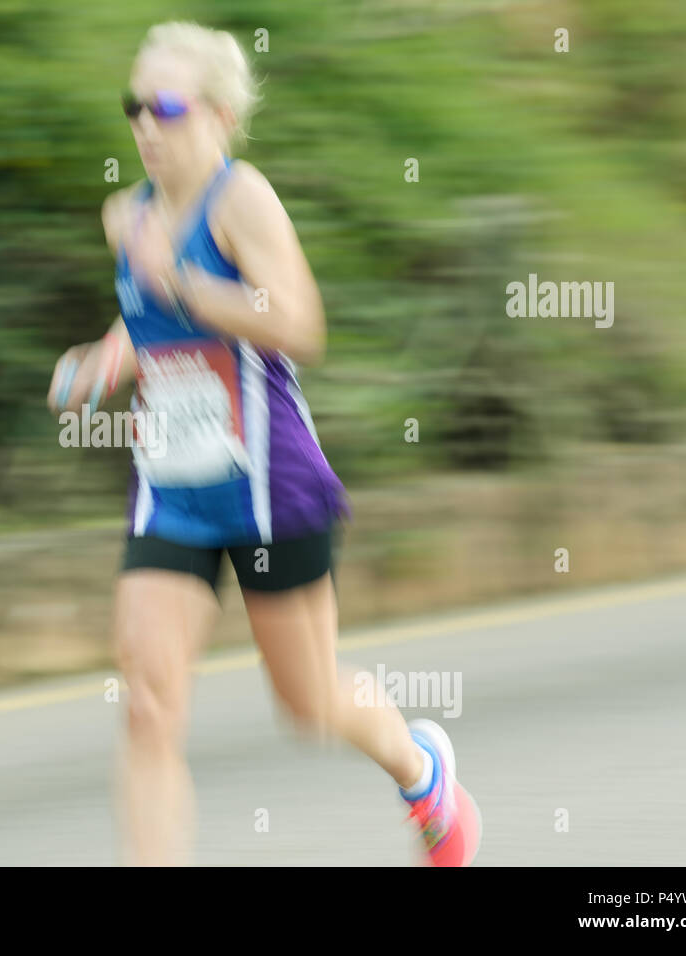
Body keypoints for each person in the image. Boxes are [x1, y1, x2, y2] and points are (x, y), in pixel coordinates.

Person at [47, 21, 481, 867]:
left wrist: (186, 280)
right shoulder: (123, 213)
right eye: (134, 104)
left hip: (269, 483)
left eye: (164, 105)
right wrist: (104, 358)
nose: (144, 123)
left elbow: (300, 324)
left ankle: (422, 769)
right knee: (146, 704)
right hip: (172, 487)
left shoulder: (241, 199)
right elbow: (145, 322)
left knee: (308, 703)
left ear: (218, 116)